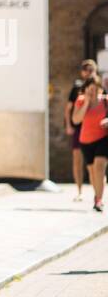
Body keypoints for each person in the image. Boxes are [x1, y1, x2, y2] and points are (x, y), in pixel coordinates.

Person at [71, 72, 108, 212]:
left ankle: (98, 201)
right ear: (86, 89)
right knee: (93, 173)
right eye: (89, 90)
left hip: (103, 139)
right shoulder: (80, 100)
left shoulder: (105, 101)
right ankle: (97, 195)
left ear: (99, 89)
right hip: (86, 141)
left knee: (99, 166)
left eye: (94, 89)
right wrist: (86, 103)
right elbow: (76, 120)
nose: (92, 92)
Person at [67, 59, 99, 200]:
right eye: (85, 69)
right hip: (79, 127)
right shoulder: (77, 88)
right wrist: (69, 125)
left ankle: (97, 193)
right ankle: (79, 191)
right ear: (82, 71)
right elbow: (68, 109)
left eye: (91, 69)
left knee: (93, 165)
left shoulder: (99, 87)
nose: (88, 71)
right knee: (78, 160)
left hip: (95, 128)